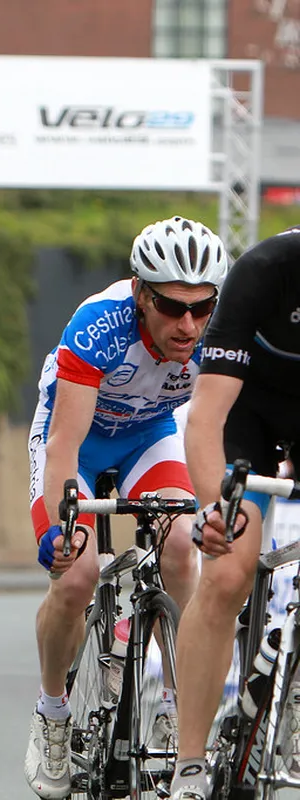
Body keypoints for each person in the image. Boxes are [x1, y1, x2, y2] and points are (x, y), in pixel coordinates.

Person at [19, 217, 229, 799]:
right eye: (171, 306)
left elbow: (213, 428)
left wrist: (213, 507)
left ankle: (175, 709)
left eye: (202, 308)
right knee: (75, 575)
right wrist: (60, 530)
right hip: (78, 440)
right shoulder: (99, 326)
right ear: (140, 292)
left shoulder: (219, 333)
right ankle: (52, 713)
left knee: (182, 544)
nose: (188, 324)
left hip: (148, 435)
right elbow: (64, 444)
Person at [168, 226, 300, 800]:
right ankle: (190, 761)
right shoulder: (266, 270)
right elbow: (206, 418)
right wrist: (213, 511)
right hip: (247, 417)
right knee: (226, 575)